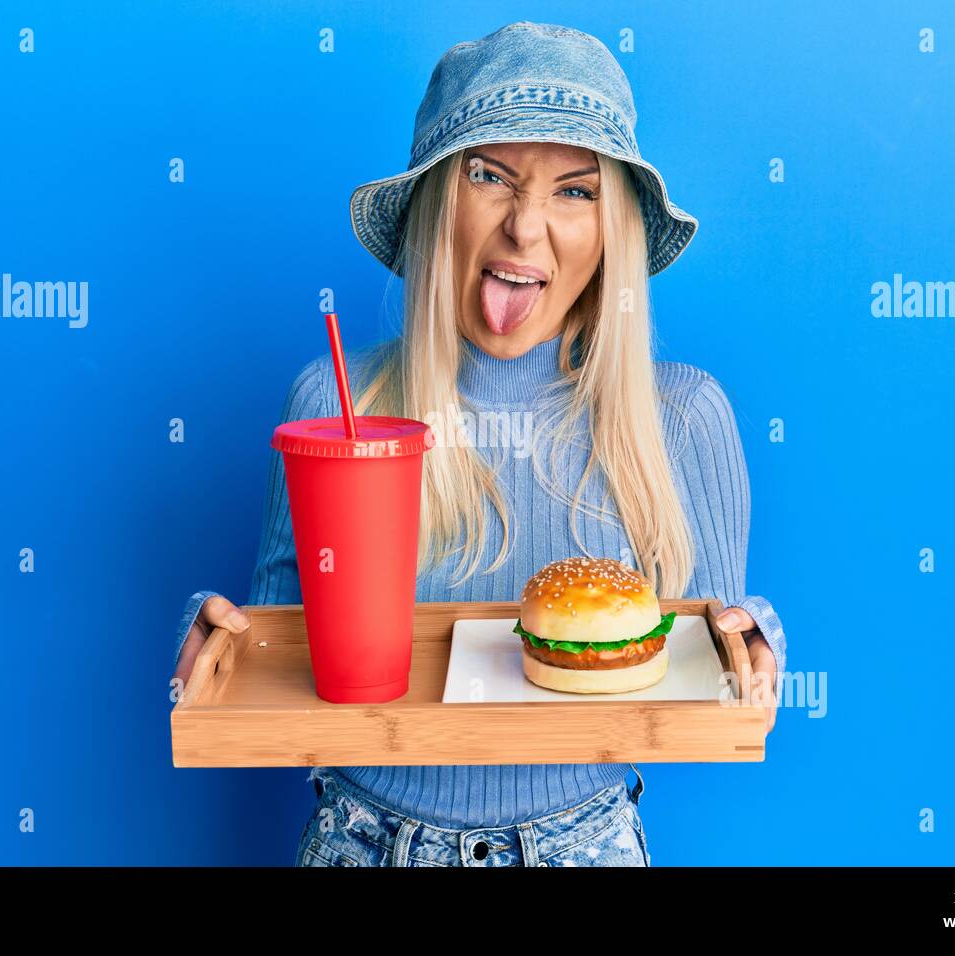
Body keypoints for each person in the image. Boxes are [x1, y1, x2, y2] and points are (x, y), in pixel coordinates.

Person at [170, 21, 786, 867]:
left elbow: (714, 650)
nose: (526, 229)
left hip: (587, 844)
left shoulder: (683, 416)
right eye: (487, 175)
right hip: (364, 842)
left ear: (614, 232)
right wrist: (212, 644)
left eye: (576, 190)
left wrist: (759, 639)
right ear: (435, 203)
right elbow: (277, 647)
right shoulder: (337, 406)